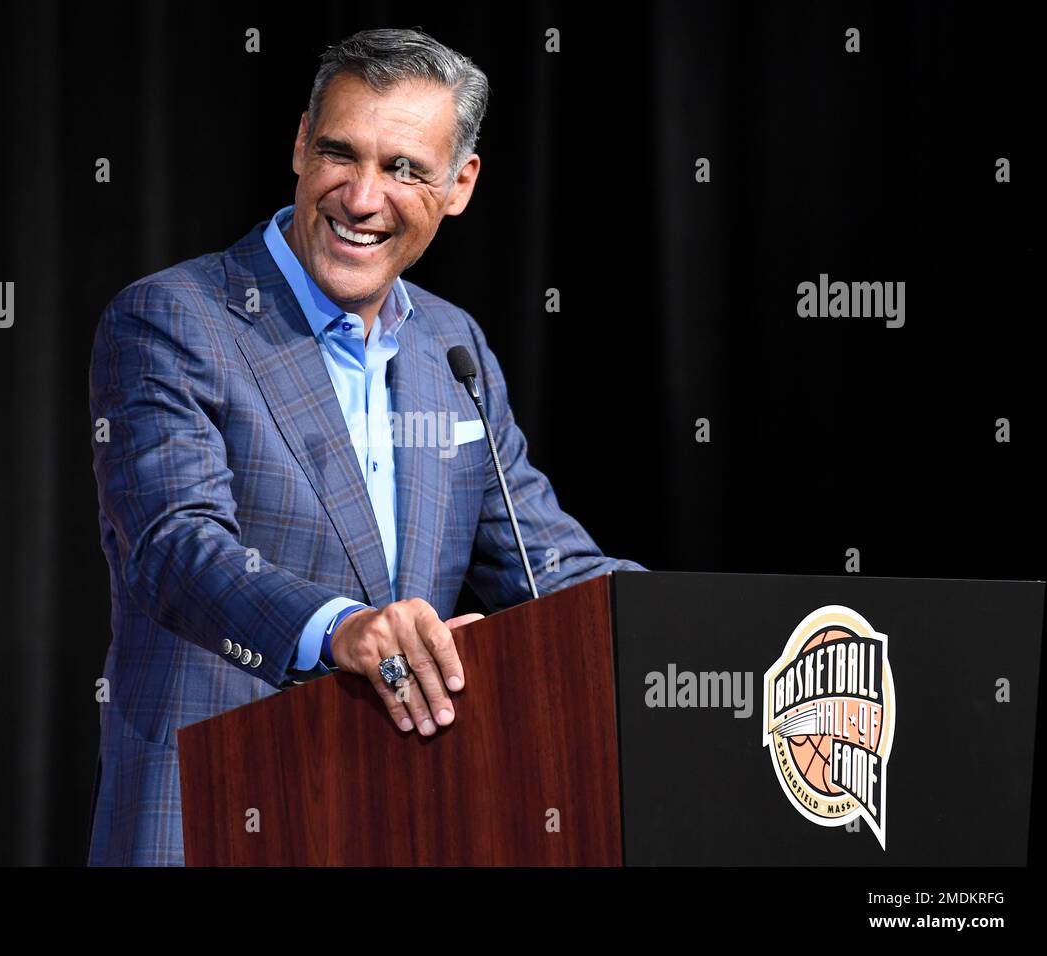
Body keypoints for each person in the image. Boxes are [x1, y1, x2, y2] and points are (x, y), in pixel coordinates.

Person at [86, 27, 644, 866]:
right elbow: (173, 548)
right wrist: (343, 628)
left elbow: (544, 568)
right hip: (210, 812)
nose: (362, 197)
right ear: (301, 144)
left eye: (405, 169)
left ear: (460, 185)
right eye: (341, 154)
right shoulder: (173, 318)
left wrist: (685, 633)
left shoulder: (452, 346)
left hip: (404, 818)